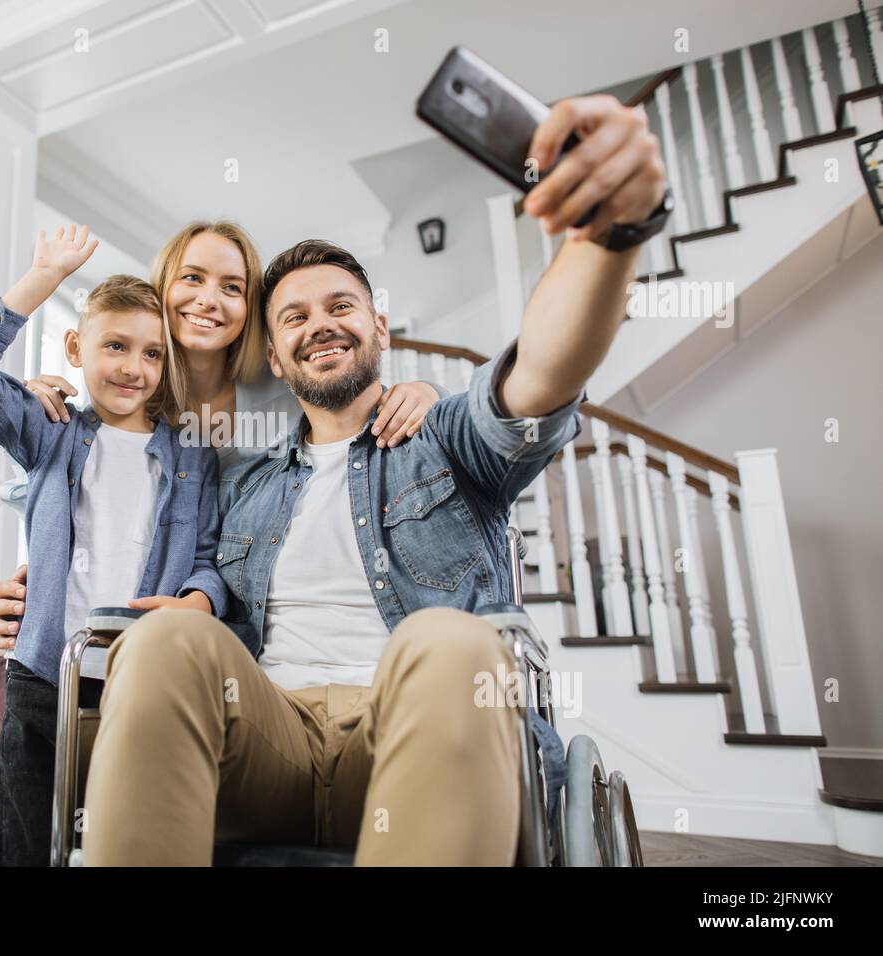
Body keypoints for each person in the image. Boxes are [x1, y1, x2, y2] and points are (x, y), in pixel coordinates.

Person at [70, 93, 671, 865]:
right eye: (293, 318)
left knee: (455, 643)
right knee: (165, 642)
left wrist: (609, 234)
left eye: (341, 306)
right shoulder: (244, 485)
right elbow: (138, 524)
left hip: (410, 727)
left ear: (379, 329)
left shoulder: (446, 438)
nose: (319, 322)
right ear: (277, 360)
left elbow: (542, 375)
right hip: (265, 737)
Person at [0, 220, 450, 649]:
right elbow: (80, 497)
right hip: (167, 609)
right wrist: (32, 588)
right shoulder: (129, 397)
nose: (209, 299)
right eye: (192, 278)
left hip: (261, 595)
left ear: (252, 310)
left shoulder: (284, 380)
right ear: (161, 290)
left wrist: (427, 390)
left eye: (232, 287)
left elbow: (357, 401)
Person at [0, 225, 227, 867]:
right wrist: (43, 277)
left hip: (140, 679)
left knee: (122, 843)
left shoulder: (191, 457)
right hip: (43, 676)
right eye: (115, 346)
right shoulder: (51, 430)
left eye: (153, 354)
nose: (133, 368)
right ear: (76, 346)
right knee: (25, 845)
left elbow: (208, 561)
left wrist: (199, 602)